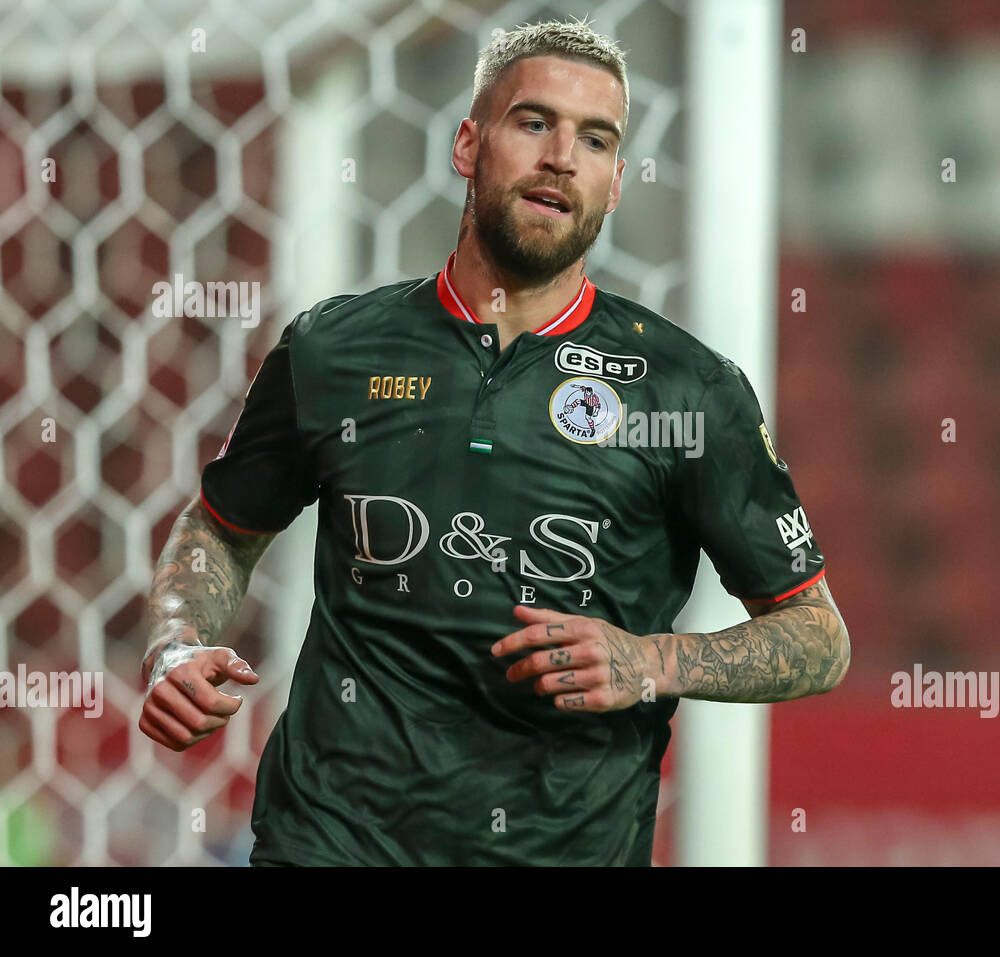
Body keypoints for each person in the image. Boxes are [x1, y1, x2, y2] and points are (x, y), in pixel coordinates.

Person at [139, 17, 850, 866]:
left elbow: (817, 636)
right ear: (468, 144)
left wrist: (653, 658)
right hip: (327, 841)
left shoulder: (687, 390)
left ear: (615, 182)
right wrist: (177, 642)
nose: (562, 157)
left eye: (595, 139)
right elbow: (222, 527)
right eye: (534, 122)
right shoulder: (332, 349)